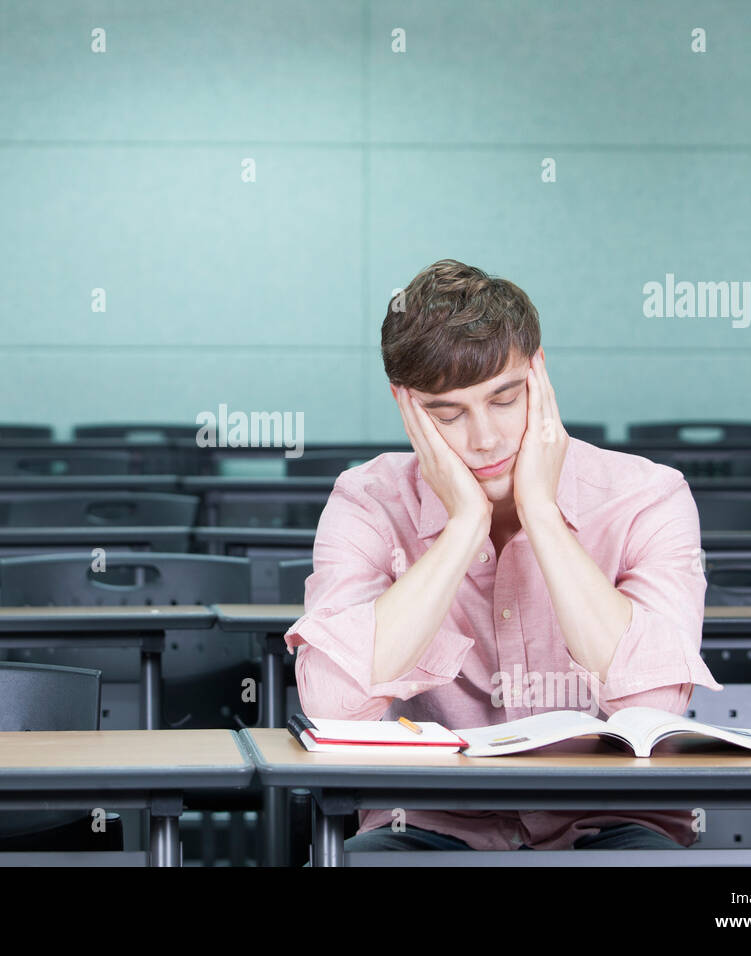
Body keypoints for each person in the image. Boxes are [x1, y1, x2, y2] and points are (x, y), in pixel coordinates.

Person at [285, 259, 723, 854]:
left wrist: (542, 513)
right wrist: (463, 527)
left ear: (539, 374)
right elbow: (334, 707)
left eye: (504, 399)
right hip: (427, 827)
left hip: (612, 826)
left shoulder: (648, 497)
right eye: (447, 413)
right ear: (406, 406)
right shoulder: (366, 500)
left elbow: (650, 708)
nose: (485, 438)